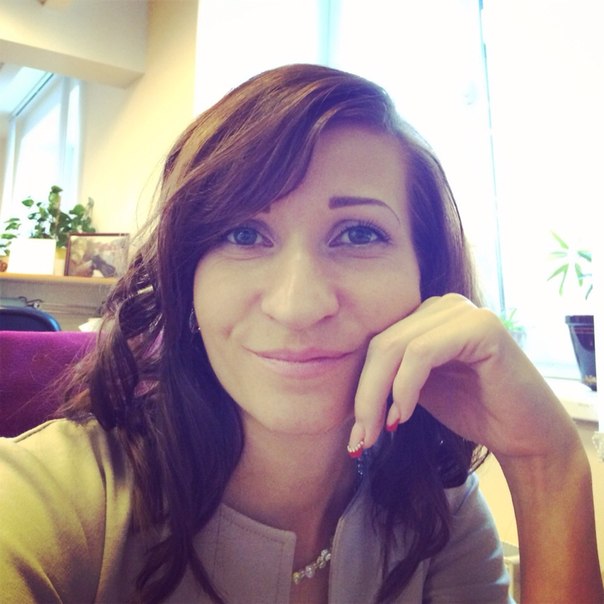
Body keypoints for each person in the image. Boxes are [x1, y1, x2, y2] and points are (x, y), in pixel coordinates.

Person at [0, 64, 601, 604]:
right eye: (243, 234)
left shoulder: (438, 508)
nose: (297, 306)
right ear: (187, 282)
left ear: (429, 280)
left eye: (359, 234)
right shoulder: (52, 500)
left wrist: (546, 460)